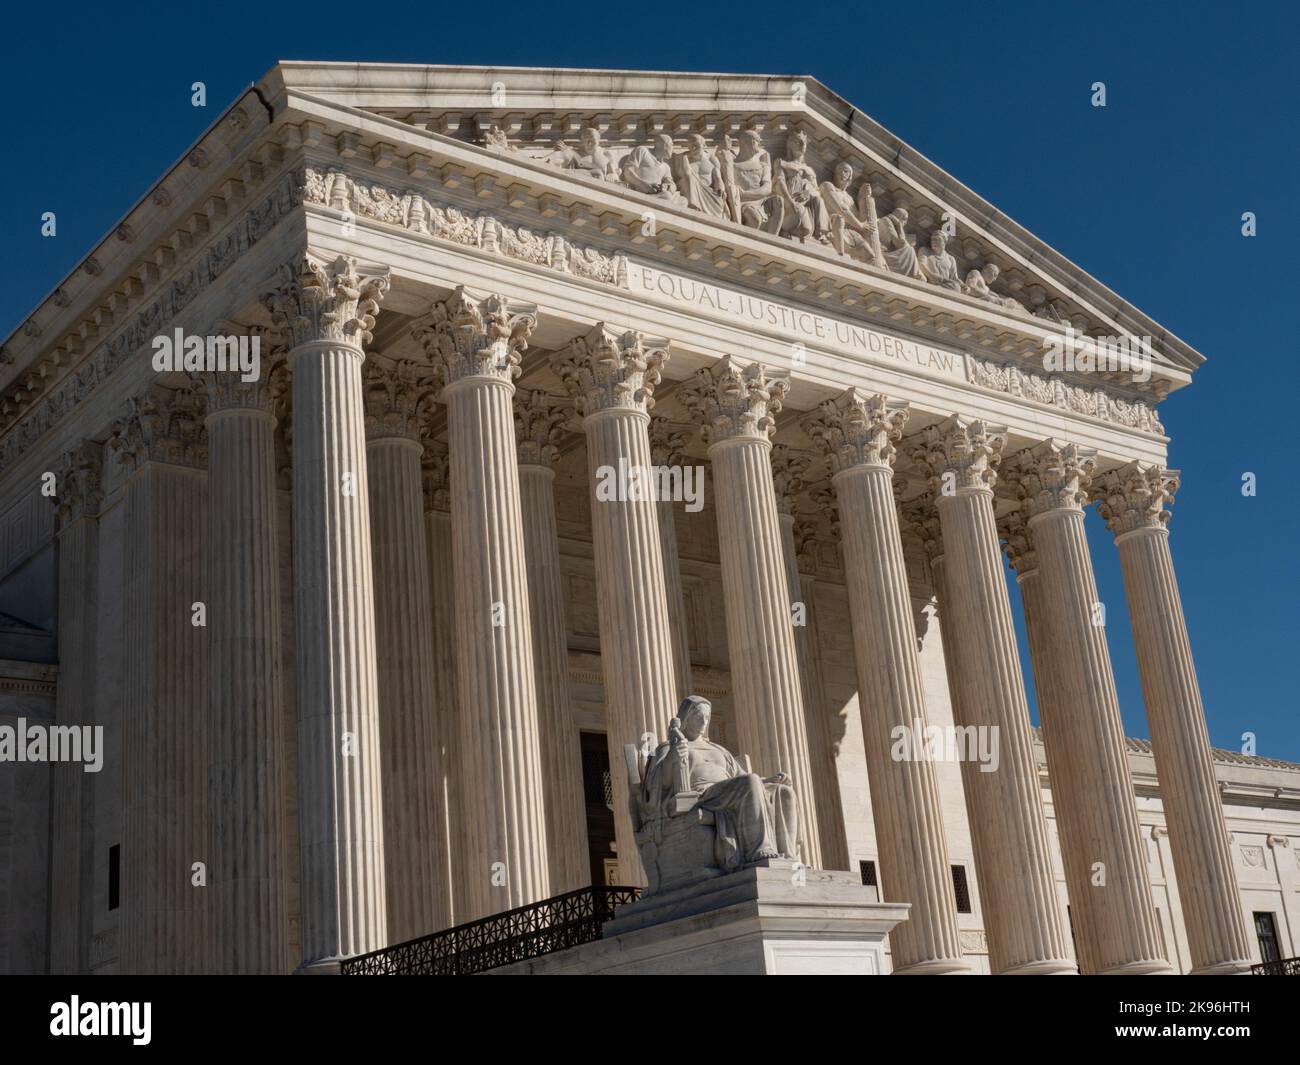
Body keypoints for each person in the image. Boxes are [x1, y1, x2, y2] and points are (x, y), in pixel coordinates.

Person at [640, 695, 800, 870]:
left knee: (783, 792)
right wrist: (674, 755)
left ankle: (788, 855)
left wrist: (769, 781)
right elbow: (657, 784)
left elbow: (743, 777)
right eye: (698, 716)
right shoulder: (669, 746)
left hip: (730, 792)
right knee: (751, 782)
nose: (704, 721)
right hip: (703, 796)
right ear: (686, 717)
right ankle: (759, 850)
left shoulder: (719, 749)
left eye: (707, 717)